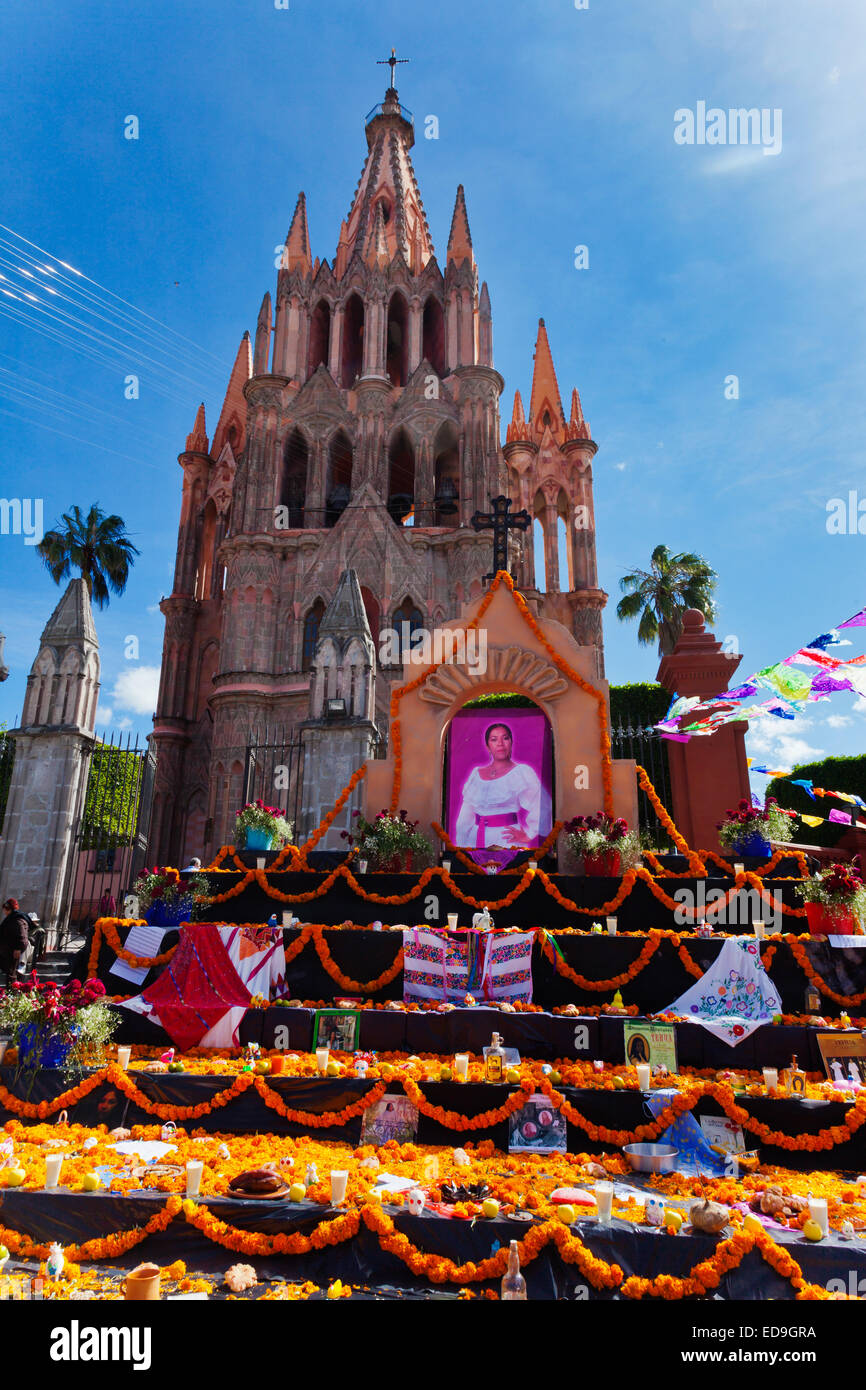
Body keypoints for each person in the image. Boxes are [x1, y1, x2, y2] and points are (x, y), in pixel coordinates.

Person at [454, 722, 548, 849]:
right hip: (475, 838)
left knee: (508, 869)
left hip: (505, 840)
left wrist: (529, 834)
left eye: (505, 738)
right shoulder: (476, 774)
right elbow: (465, 816)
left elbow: (542, 805)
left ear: (511, 742)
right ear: (488, 746)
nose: (500, 743)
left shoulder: (522, 772)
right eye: (494, 739)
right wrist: (461, 844)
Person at [0, 899, 31, 985]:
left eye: (5, 910)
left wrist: (18, 949)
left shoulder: (17, 920)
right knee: (9, 972)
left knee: (11, 973)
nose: (4, 912)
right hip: (5, 949)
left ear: (8, 909)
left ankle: (10, 994)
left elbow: (22, 936)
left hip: (11, 951)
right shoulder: (11, 918)